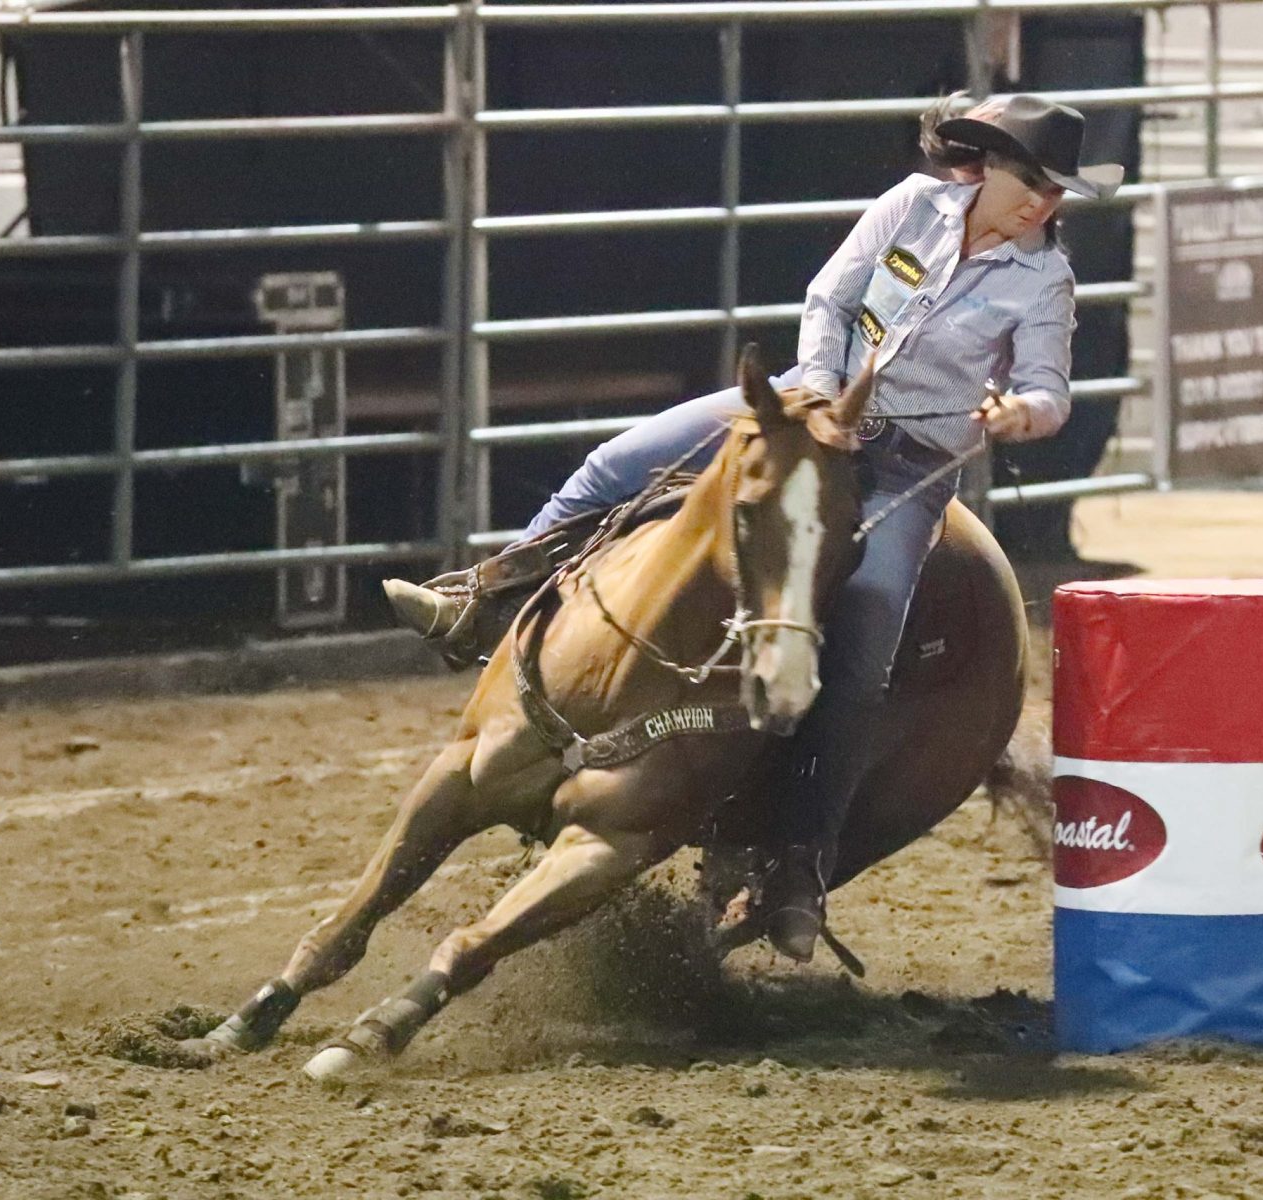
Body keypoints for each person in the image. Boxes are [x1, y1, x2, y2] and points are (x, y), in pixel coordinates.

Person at [387, 93, 1121, 961]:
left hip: (907, 463)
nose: (1042, 203)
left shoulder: (1045, 279)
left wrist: (1018, 413)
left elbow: (1050, 388)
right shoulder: (910, 205)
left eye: (1056, 191)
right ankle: (489, 594)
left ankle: (799, 860)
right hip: (810, 410)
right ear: (987, 165)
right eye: (1031, 180)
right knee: (621, 462)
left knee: (867, 633)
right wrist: (816, 394)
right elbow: (831, 297)